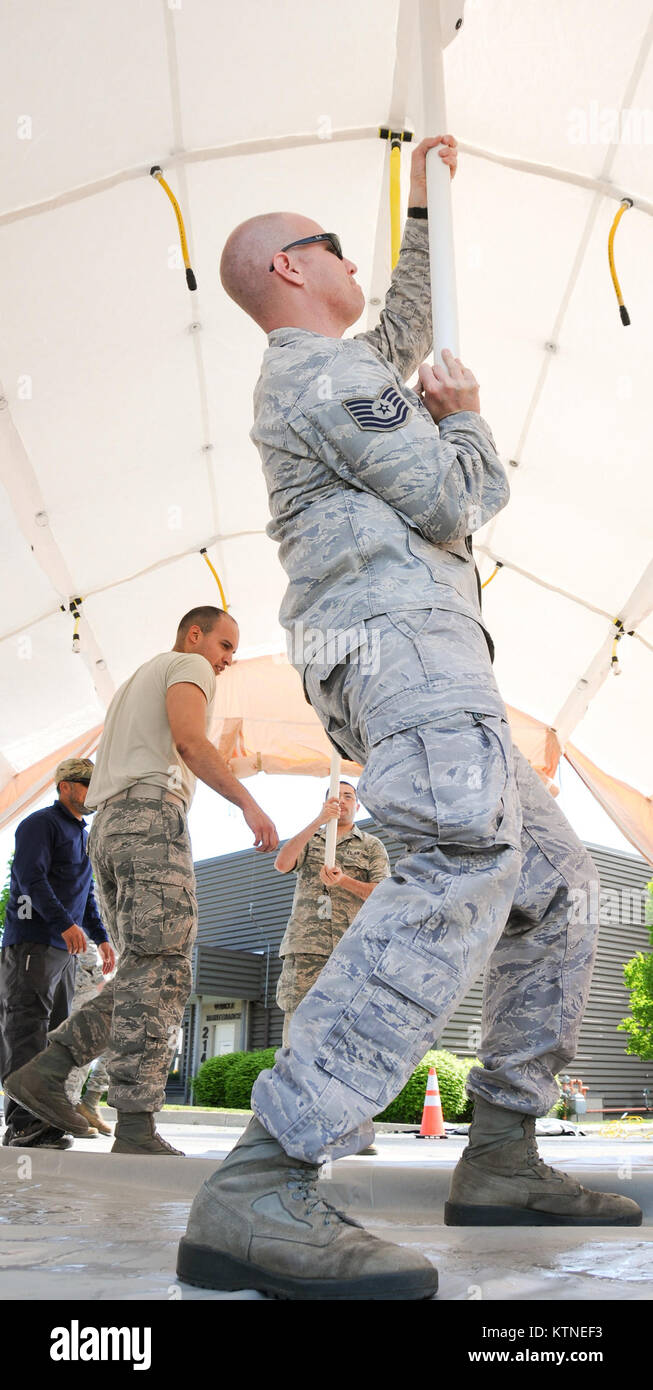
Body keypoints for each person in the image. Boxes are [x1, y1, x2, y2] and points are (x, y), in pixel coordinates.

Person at [173, 132, 641, 1299]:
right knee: (457, 862)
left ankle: (499, 1151)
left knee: (559, 885)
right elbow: (452, 494)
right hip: (401, 644)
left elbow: (393, 339)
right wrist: (470, 417)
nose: (353, 264)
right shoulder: (316, 372)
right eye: (334, 246)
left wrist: (421, 218)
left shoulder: (339, 369)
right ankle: (263, 1178)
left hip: (420, 654)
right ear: (288, 269)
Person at [5, 607, 279, 1156]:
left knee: (144, 971)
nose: (228, 660)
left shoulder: (138, 680)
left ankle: (87, 1094)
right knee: (166, 971)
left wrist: (242, 768)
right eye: (225, 645)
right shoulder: (188, 666)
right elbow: (188, 743)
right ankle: (111, 1108)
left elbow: (170, 748)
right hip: (150, 822)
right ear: (194, 634)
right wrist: (251, 807)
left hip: (112, 829)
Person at [0, 758, 114, 1149]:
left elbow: (86, 897)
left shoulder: (83, 835)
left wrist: (101, 938)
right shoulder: (39, 825)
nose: (93, 792)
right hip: (32, 941)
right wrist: (65, 924)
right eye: (87, 784)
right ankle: (19, 1125)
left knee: (54, 1033)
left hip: (65, 951)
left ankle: (43, 1120)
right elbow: (29, 878)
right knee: (25, 1029)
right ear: (65, 786)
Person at [275, 781, 390, 1046]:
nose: (342, 801)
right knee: (298, 1026)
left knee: (347, 1024)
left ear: (358, 806)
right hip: (307, 949)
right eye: (336, 797)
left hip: (351, 949)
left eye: (348, 796)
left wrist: (344, 882)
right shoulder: (311, 839)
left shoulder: (371, 846)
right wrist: (319, 820)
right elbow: (282, 864)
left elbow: (383, 895)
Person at [64, 932, 113, 1136]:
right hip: (87, 976)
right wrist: (97, 973)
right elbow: (85, 928)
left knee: (120, 1037)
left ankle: (90, 1102)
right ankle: (67, 1107)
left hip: (112, 972)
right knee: (81, 1041)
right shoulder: (99, 898)